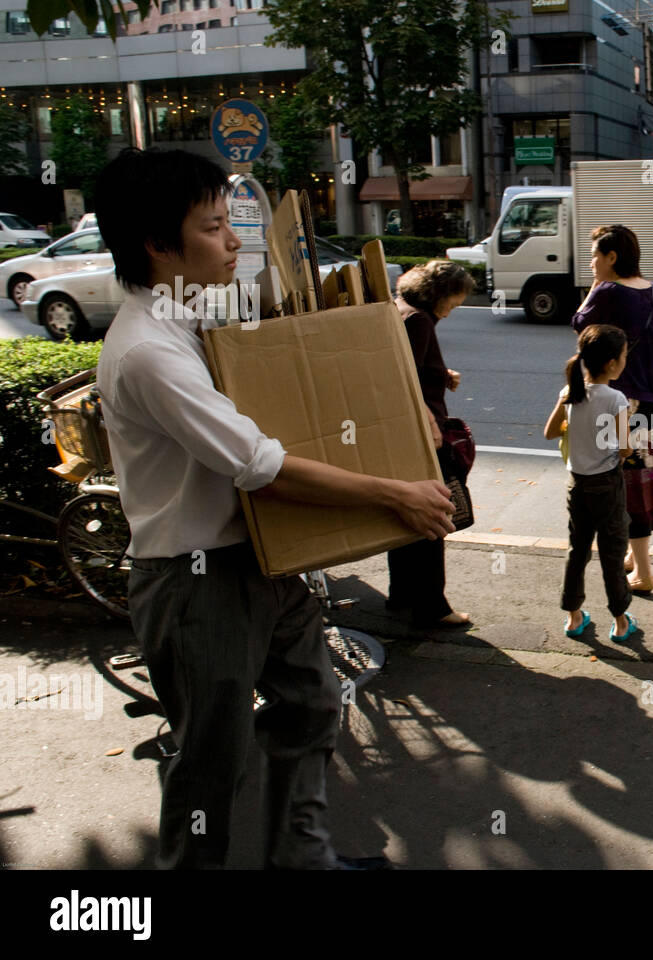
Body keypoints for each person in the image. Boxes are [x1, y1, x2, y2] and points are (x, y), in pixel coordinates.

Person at [94, 147, 456, 870]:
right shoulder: (146, 352)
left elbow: (297, 331)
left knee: (315, 707)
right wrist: (396, 496)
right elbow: (259, 467)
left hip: (261, 561)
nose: (233, 242)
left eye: (232, 223)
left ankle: (301, 857)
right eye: (213, 227)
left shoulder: (190, 311)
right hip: (197, 584)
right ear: (158, 245)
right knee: (209, 764)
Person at [571, 224, 653, 594]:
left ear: (611, 257)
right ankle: (636, 558)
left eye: (595, 256)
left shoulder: (606, 292)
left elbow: (580, 329)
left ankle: (644, 572)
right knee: (645, 484)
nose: (591, 263)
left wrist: (594, 290)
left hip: (622, 403)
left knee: (625, 487)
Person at [386, 259, 476, 629]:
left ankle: (401, 594)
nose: (451, 312)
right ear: (437, 295)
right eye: (452, 304)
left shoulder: (401, 307)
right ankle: (433, 607)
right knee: (434, 515)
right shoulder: (420, 320)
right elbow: (402, 378)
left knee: (406, 512)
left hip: (401, 431)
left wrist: (441, 373)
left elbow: (410, 366)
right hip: (422, 432)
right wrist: (426, 415)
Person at [543, 324, 637, 642]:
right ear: (612, 363)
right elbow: (625, 447)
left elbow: (550, 432)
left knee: (578, 549)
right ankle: (621, 621)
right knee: (613, 551)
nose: (625, 360)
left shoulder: (570, 391)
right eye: (624, 356)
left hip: (577, 485)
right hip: (606, 484)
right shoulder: (615, 398)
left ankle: (573, 617)